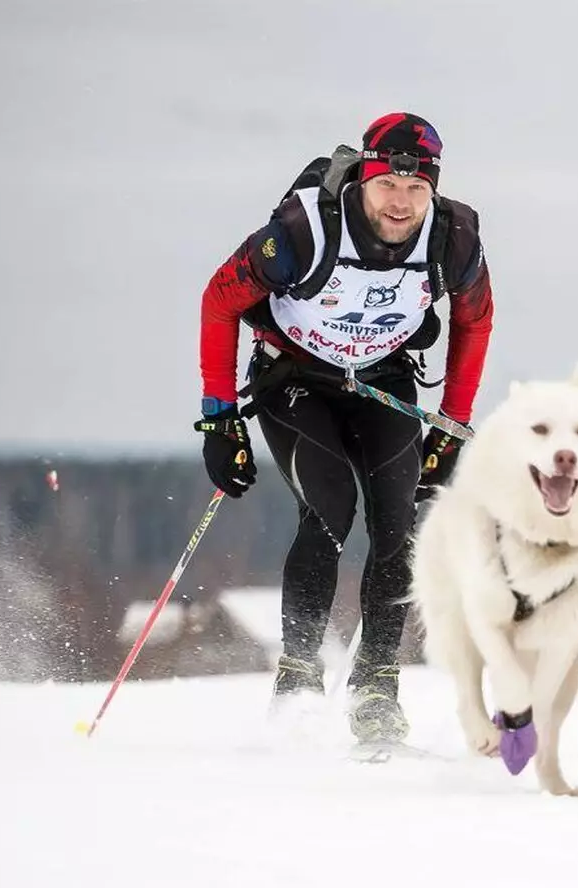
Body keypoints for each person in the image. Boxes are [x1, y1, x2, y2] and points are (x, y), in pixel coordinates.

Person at [192, 112, 494, 743]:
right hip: (295, 376)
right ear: (364, 175)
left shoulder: (455, 238)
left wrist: (454, 426)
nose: (401, 203)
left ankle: (377, 689)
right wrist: (221, 419)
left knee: (398, 523)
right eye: (389, 184)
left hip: (382, 378)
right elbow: (220, 300)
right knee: (330, 506)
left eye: (417, 189)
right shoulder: (304, 230)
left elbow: (474, 322)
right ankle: (298, 679)